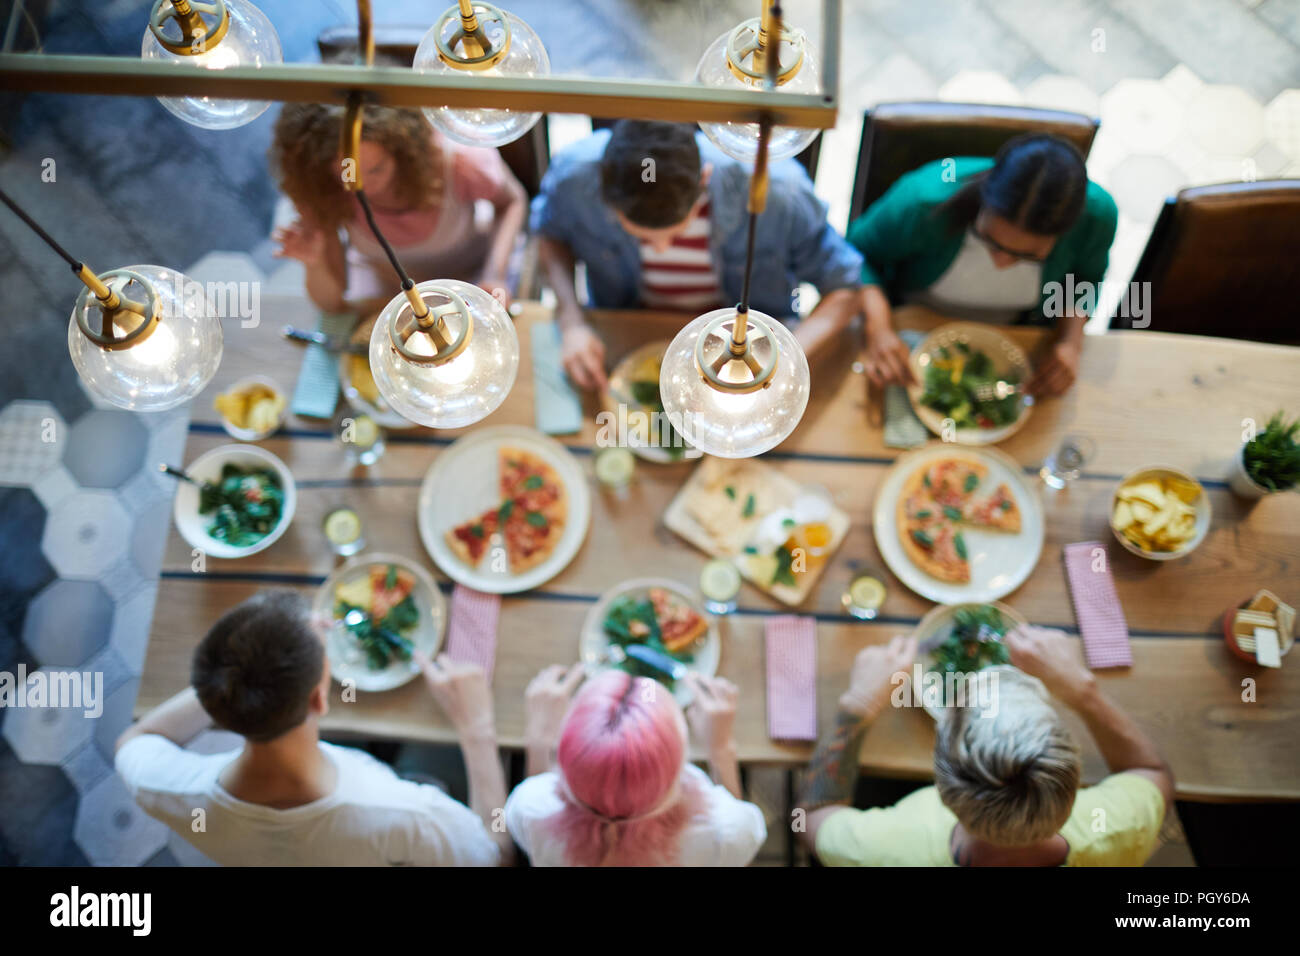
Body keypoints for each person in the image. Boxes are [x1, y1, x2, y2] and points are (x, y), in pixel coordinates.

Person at [114, 590, 513, 866]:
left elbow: (135, 740)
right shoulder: (409, 814)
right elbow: (495, 855)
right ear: (320, 700)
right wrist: (477, 727)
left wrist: (229, 679)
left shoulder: (167, 788)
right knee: (435, 752)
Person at [532, 119, 865, 390]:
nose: (661, 250)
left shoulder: (778, 193)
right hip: (628, 335)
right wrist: (572, 321)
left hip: (745, 348)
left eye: (676, 233)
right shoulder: (574, 178)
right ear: (604, 192)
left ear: (704, 178)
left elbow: (845, 286)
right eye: (642, 238)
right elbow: (550, 235)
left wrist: (785, 362)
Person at [799, 626, 1173, 866]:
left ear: (941, 789)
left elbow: (811, 822)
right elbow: (1153, 775)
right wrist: (1083, 691)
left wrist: (857, 708)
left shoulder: (884, 849)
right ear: (1073, 778)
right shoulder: (1120, 829)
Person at [843, 134, 1118, 396]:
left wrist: (1070, 342)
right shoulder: (924, 200)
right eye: (989, 240)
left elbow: (1085, 279)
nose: (1001, 262)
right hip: (913, 326)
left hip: (1018, 342)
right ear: (983, 198)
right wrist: (878, 327)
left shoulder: (1097, 217)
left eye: (1028, 255)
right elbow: (855, 255)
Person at [268, 99, 527, 314]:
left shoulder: (459, 162)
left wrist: (496, 273)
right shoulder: (329, 193)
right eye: (348, 174)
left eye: (377, 169)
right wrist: (315, 264)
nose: (363, 187)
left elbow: (513, 200)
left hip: (470, 275)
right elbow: (332, 305)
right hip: (387, 288)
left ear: (401, 151)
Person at [505, 666, 767, 866]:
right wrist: (722, 750)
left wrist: (539, 742)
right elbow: (739, 818)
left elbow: (536, 794)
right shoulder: (727, 833)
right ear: (680, 764)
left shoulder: (530, 810)